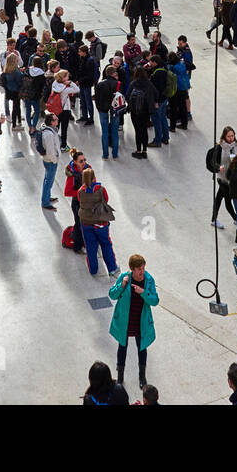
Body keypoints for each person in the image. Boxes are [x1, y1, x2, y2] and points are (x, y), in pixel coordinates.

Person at [109, 254, 158, 389]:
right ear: (132, 269)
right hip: (125, 321)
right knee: (122, 347)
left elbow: (155, 301)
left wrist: (143, 292)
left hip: (140, 322)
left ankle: (142, 377)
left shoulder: (148, 280)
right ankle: (120, 377)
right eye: (138, 269)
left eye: (143, 268)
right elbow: (112, 295)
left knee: (142, 349)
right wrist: (122, 285)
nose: (142, 271)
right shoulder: (125, 278)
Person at [77, 167, 119, 277]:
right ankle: (112, 268)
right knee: (106, 244)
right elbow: (106, 199)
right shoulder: (101, 189)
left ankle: (93, 270)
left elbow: (79, 201)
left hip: (86, 222)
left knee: (91, 247)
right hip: (100, 223)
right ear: (94, 177)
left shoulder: (80, 191)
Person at [209, 127, 237, 229]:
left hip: (232, 178)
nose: (231, 138)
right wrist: (219, 167)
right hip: (222, 178)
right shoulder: (219, 147)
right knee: (228, 200)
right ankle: (235, 219)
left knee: (219, 197)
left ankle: (213, 219)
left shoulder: (236, 145)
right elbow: (213, 162)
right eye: (229, 136)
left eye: (232, 136)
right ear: (224, 136)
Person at [94, 65, 124, 161]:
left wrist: (99, 108)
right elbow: (121, 98)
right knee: (115, 132)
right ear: (114, 73)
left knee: (105, 132)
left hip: (103, 110)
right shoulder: (118, 84)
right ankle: (115, 154)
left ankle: (105, 155)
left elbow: (96, 98)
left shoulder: (100, 84)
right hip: (114, 110)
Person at [127, 67, 156, 158]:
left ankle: (138, 151)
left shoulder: (133, 83)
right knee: (144, 130)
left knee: (138, 131)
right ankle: (145, 151)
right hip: (146, 111)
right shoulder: (149, 83)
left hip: (135, 111)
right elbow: (156, 93)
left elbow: (127, 96)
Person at [49, 68, 80, 149]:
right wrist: (71, 83)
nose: (68, 78)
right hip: (65, 110)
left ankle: (53, 144)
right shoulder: (65, 89)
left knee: (56, 127)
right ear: (63, 78)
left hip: (56, 109)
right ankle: (63, 146)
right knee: (64, 129)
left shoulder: (55, 84)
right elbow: (77, 89)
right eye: (67, 77)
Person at [37, 112, 62, 210]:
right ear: (51, 122)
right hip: (50, 161)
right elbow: (50, 150)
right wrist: (55, 160)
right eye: (55, 119)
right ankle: (45, 202)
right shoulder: (49, 135)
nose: (57, 120)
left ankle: (47, 197)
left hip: (48, 160)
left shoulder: (49, 130)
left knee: (47, 180)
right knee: (49, 181)